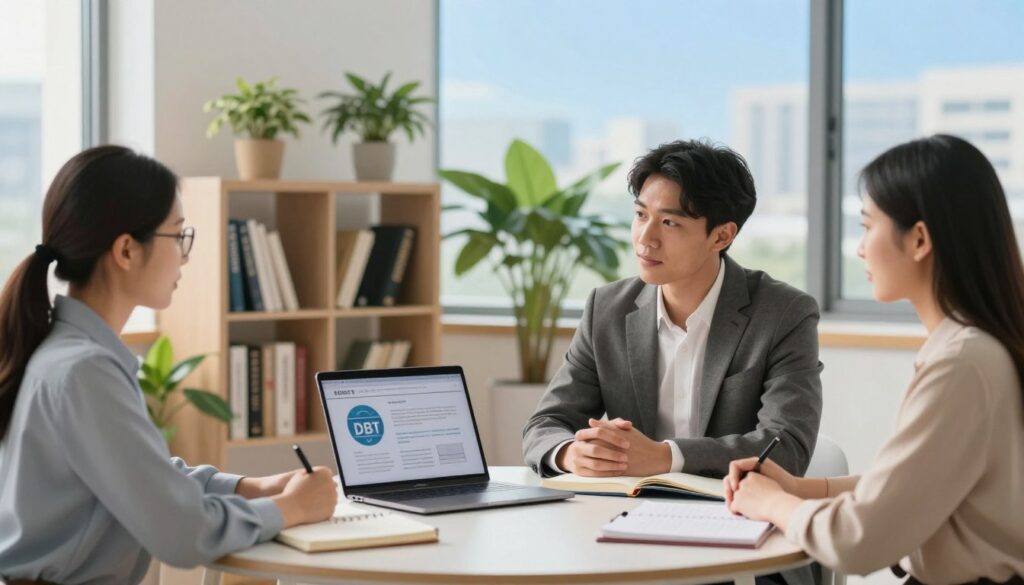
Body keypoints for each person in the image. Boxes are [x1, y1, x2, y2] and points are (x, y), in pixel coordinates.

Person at [0, 146, 338, 585]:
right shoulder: (84, 371)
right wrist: (293, 508)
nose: (185, 254)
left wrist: (247, 488)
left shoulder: (68, 353)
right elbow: (182, 534)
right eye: (178, 236)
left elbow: (143, 477)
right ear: (126, 250)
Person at [725, 135, 1024, 584]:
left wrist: (771, 503)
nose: (861, 247)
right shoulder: (974, 348)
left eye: (867, 226)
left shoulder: (963, 363)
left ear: (919, 238)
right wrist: (799, 489)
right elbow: (911, 488)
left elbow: (858, 541)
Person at [522, 139, 823, 481]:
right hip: (626, 510)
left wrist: (666, 457)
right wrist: (571, 454)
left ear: (721, 236)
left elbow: (786, 447)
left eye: (669, 223)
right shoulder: (606, 309)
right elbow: (545, 425)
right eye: (640, 215)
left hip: (732, 513)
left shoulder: (784, 313)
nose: (645, 239)